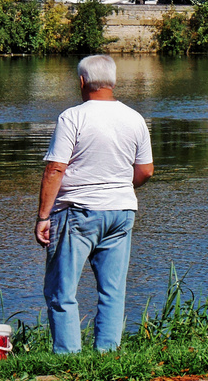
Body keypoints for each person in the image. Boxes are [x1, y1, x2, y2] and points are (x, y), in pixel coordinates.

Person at [36, 55, 154, 354]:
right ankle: (106, 354)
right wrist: (120, 188)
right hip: (122, 211)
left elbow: (55, 170)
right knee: (112, 291)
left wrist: (42, 216)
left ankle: (68, 356)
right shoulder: (135, 118)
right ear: (114, 82)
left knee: (62, 291)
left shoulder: (73, 117)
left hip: (78, 211)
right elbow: (146, 171)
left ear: (81, 81)